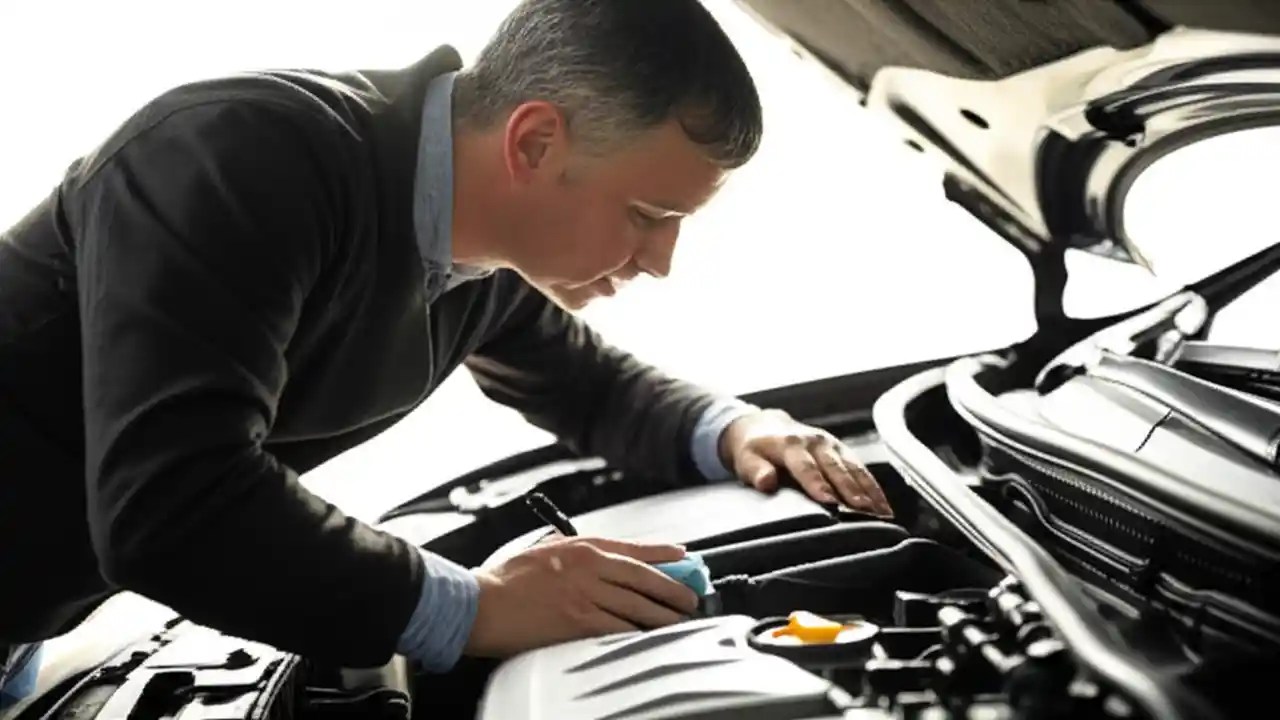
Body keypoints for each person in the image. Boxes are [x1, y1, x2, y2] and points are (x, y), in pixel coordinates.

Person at [0, 0, 892, 705]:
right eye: (648, 216)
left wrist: (738, 430)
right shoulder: (236, 157)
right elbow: (173, 504)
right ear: (535, 141)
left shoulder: (480, 253)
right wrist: (478, 606)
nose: (660, 262)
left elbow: (590, 386)